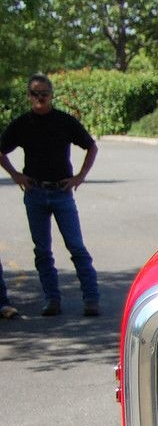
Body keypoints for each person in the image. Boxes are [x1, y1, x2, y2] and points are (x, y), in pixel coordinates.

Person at [1, 73, 101, 317]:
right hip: (35, 192)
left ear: (51, 95)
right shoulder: (23, 124)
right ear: (28, 96)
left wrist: (80, 176)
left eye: (44, 93)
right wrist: (15, 175)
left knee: (76, 246)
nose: (40, 98)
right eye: (35, 93)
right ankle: (52, 300)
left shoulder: (64, 121)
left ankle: (91, 299)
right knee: (42, 250)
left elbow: (91, 146)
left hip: (61, 192)